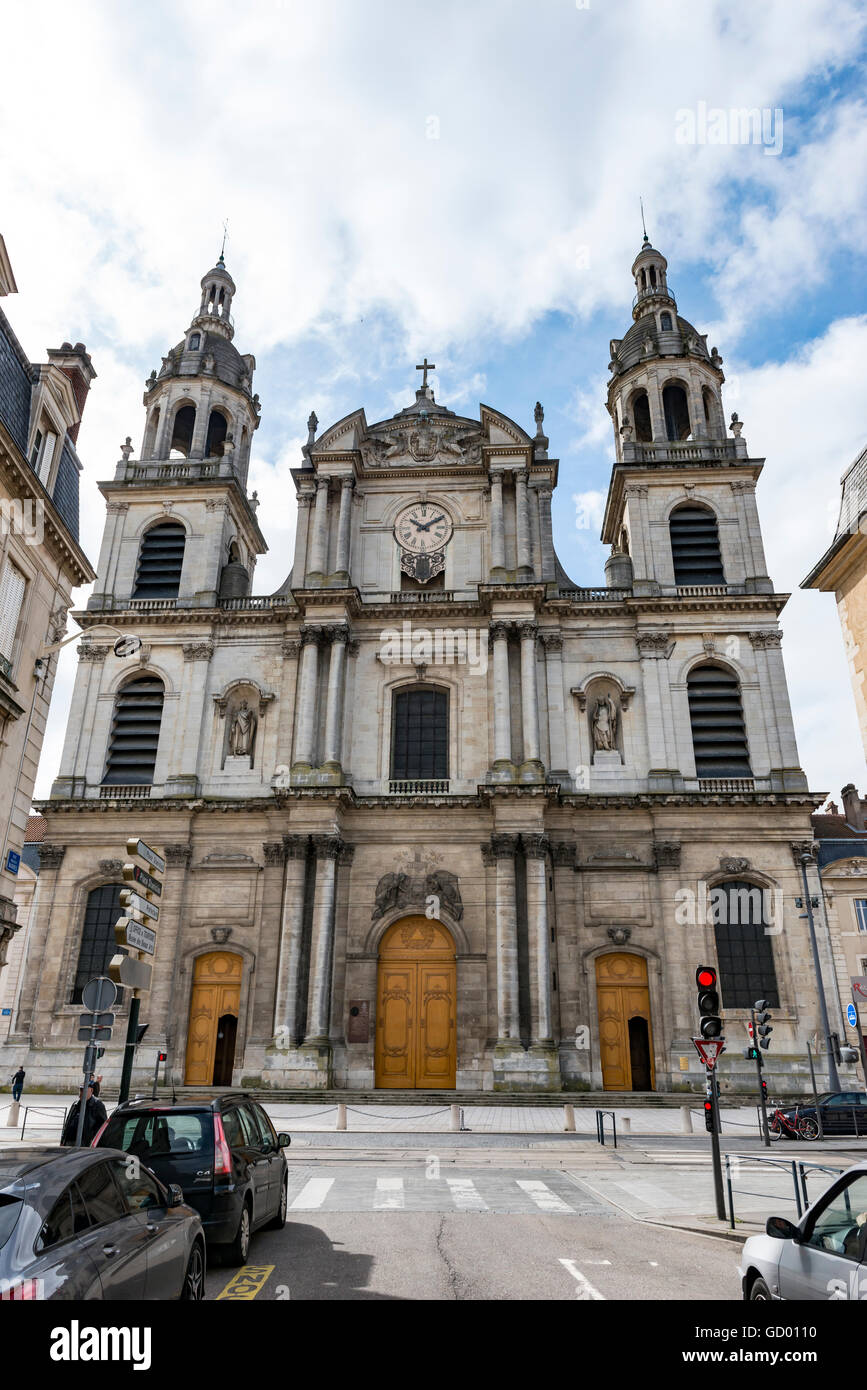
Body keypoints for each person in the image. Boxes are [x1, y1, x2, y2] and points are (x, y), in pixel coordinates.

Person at [60, 1082, 107, 1147]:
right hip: (69, 1141)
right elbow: (68, 1123)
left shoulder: (97, 1105)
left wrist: (92, 1141)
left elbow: (102, 1126)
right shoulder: (76, 1104)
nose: (81, 1092)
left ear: (91, 1090)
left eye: (84, 1090)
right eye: (80, 1090)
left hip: (85, 1143)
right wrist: (63, 1140)